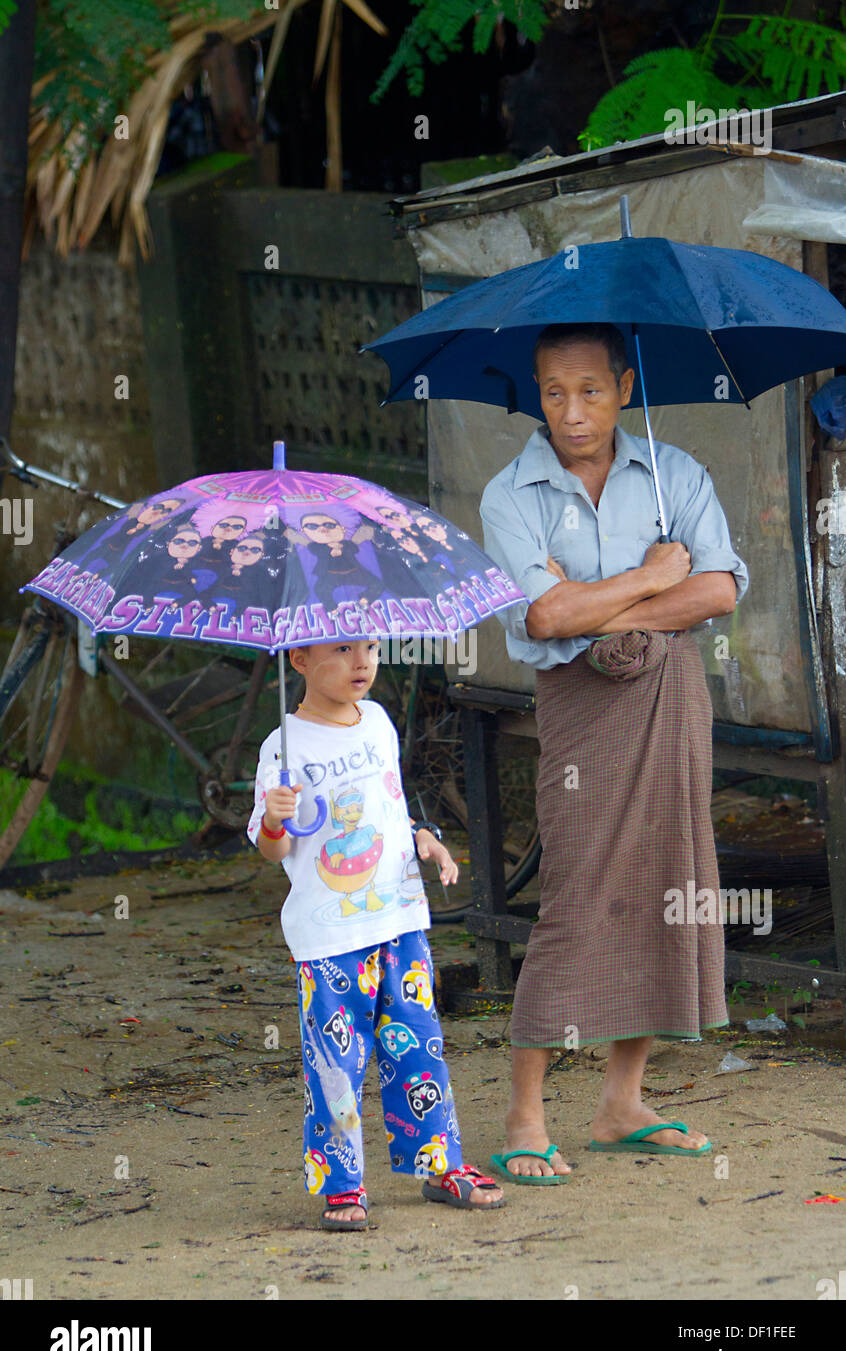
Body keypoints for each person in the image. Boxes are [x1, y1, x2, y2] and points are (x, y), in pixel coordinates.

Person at [479, 322, 749, 1184]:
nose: (573, 411)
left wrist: (597, 601)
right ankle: (525, 1115)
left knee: (665, 882)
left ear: (623, 388)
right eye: (554, 392)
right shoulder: (509, 494)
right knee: (579, 891)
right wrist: (647, 578)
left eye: (591, 390)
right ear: (536, 394)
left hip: (672, 701)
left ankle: (621, 1102)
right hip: (579, 711)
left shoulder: (675, 476)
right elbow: (543, 620)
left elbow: (722, 588)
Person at [246, 638, 504, 1228]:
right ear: (300, 660)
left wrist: (425, 836)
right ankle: (342, 1185)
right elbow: (271, 850)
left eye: (370, 648)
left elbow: (390, 808)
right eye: (341, 650)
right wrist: (274, 817)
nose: (362, 663)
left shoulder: (380, 722)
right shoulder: (284, 747)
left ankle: (441, 1166)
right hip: (330, 937)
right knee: (335, 1062)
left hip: (401, 923)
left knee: (420, 1050)